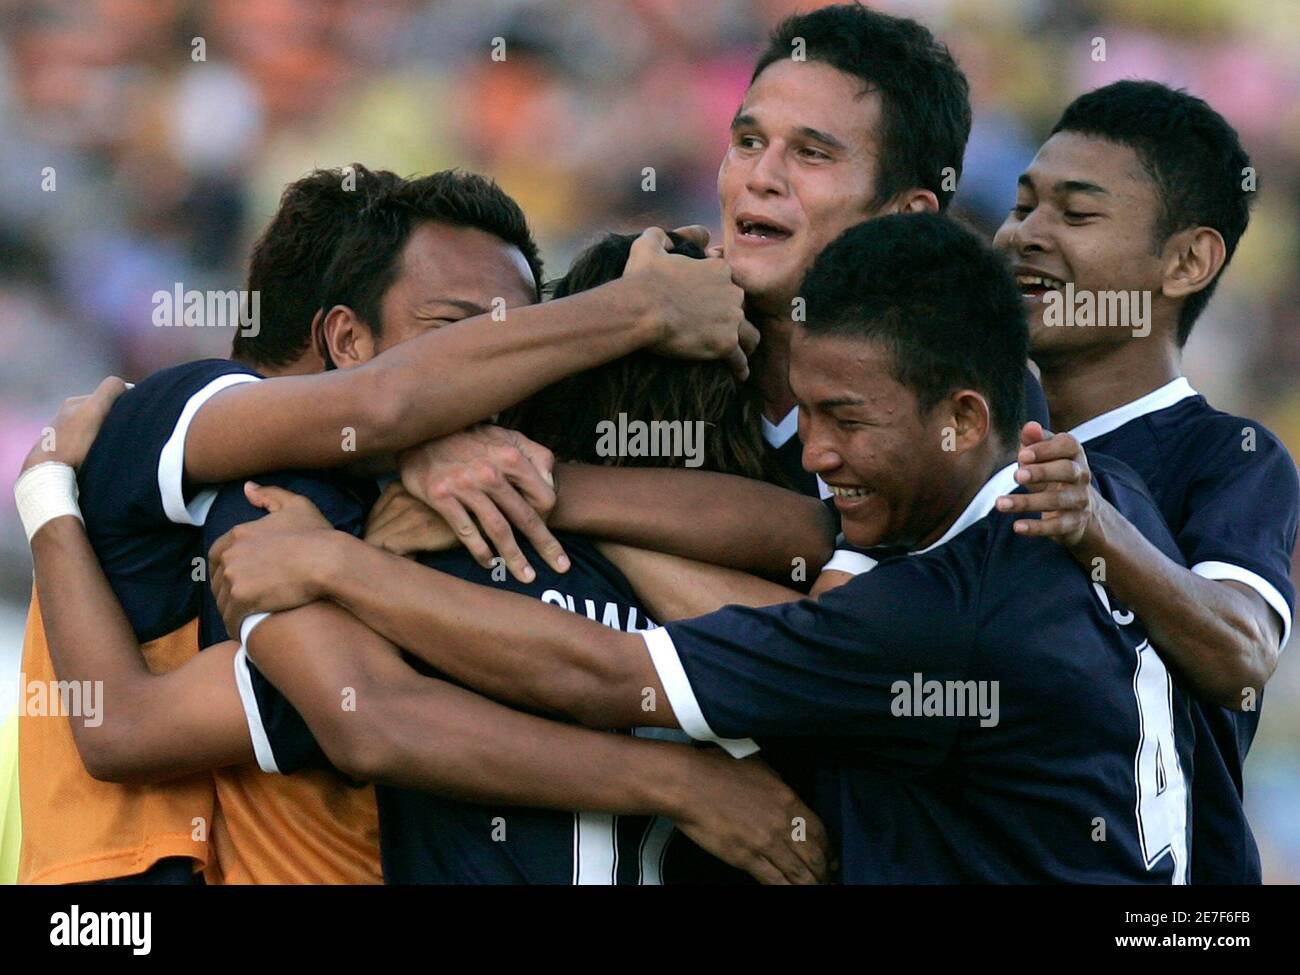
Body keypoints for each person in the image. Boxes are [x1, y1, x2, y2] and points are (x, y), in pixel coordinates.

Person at [212, 213, 1197, 884]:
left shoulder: (416, 569)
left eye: (841, 417)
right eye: (799, 411)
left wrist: (332, 565)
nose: (812, 452)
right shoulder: (1100, 498)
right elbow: (804, 566)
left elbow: (600, 675)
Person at [18, 182, 826, 884]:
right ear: (346, 340)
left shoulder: (397, 558)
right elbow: (380, 412)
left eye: (519, 338)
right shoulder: (232, 450)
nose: (500, 364)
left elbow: (809, 540)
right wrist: (47, 498)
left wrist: (530, 492)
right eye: (457, 327)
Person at [991, 80, 1299, 884]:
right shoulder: (961, 440)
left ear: (1187, 260)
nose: (1027, 234)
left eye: (1076, 213)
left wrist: (1097, 523)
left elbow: (1240, 651)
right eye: (1023, 207)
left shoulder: (1228, 454)